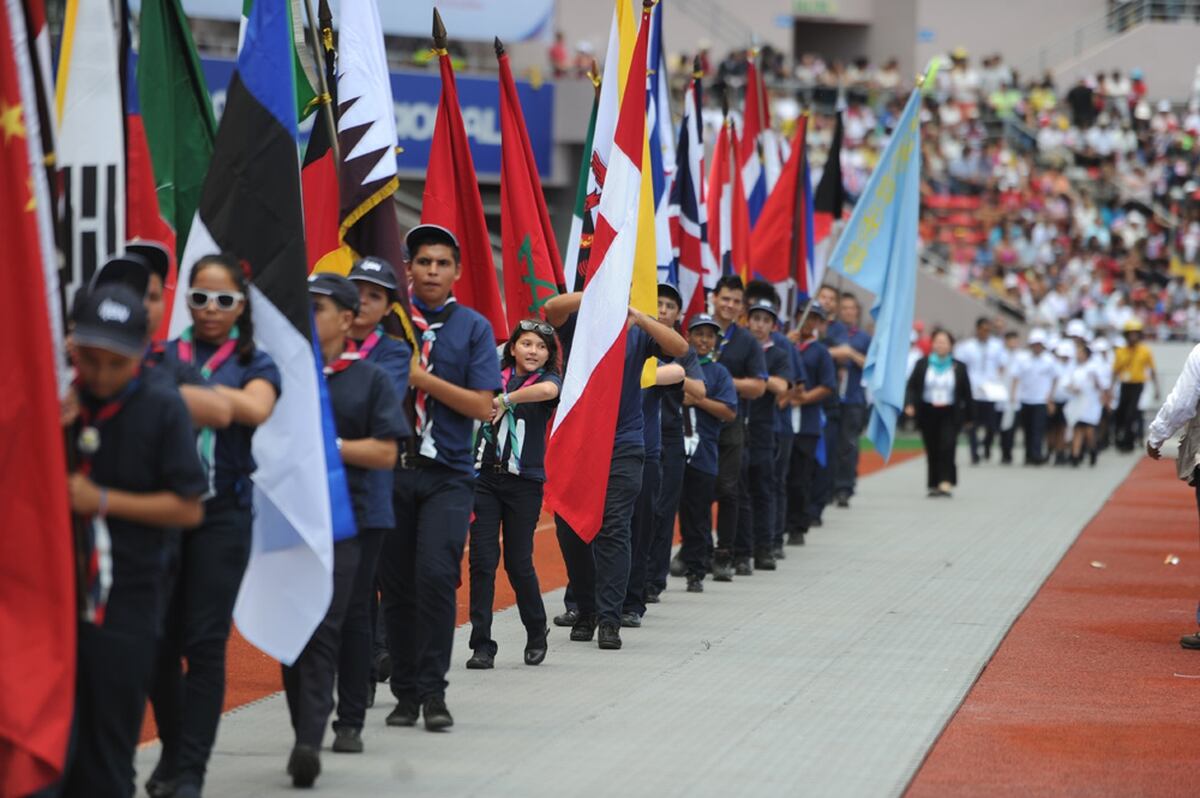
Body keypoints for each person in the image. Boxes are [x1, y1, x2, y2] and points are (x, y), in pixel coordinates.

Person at [61, 284, 207, 798]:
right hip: (55, 602)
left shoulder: (162, 408)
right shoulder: (60, 404)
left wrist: (101, 499)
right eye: (90, 359)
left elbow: (188, 507)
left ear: (142, 353)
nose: (100, 374)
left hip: (126, 600)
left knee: (106, 755)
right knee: (52, 751)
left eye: (115, 363)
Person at [149, 254, 282, 798]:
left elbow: (254, 411)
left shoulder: (256, 359)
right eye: (200, 297)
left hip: (222, 516)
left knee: (204, 644)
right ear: (185, 299)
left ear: (242, 307)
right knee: (155, 644)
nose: (210, 309)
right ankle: (175, 751)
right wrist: (211, 400)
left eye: (224, 300)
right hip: (161, 513)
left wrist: (179, 395)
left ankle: (190, 773)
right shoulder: (159, 355)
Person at [378, 225, 501, 731]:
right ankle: (405, 693)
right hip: (391, 471)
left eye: (441, 263)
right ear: (408, 266)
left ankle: (434, 691)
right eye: (423, 262)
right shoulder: (387, 321)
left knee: (434, 578)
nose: (432, 271)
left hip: (448, 473)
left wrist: (422, 378)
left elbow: (482, 405)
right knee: (397, 585)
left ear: (457, 270)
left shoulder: (472, 327)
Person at [284, 274, 405, 786]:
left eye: (317, 307)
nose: (307, 315)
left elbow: (385, 452)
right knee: (298, 626)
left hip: (357, 517)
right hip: (294, 519)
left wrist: (326, 449)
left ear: (347, 319)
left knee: (344, 620)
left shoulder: (370, 378)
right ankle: (305, 728)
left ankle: (346, 719)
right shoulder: (287, 375)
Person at [543, 290, 688, 650]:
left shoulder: (637, 333)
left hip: (624, 443)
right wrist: (593, 291)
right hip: (578, 443)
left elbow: (680, 348)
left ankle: (610, 619)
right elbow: (551, 309)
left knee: (615, 527)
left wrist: (638, 317)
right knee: (571, 527)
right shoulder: (578, 325)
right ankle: (587, 610)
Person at [333, 257, 412, 741]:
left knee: (361, 602)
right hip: (317, 492)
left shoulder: (392, 355)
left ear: (386, 308)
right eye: (355, 291)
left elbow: (374, 416)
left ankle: (355, 699)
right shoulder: (315, 349)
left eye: (374, 295)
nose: (362, 301)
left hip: (365, 493)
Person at [467, 319, 561, 669]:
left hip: (524, 483)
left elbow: (548, 394)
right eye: (525, 344)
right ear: (512, 348)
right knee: (482, 561)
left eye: (540, 346)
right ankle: (482, 645)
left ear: (548, 354)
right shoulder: (492, 376)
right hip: (485, 481)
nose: (532, 351)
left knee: (519, 563)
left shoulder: (547, 382)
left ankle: (536, 631)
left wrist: (506, 400)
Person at [709, 276, 767, 580]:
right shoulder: (698, 331)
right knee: (695, 490)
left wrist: (722, 382)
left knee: (729, 489)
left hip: (732, 423)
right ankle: (697, 549)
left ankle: (726, 552)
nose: (729, 305)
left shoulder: (746, 341)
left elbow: (758, 386)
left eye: (735, 301)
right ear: (714, 297)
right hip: (696, 425)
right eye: (725, 299)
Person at [676, 314, 737, 592]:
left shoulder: (718, 372)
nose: (703, 340)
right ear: (688, 336)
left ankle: (697, 570)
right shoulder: (676, 366)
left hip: (703, 451)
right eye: (699, 333)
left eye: (709, 335)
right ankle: (658, 574)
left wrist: (699, 399)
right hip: (673, 450)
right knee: (670, 512)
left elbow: (728, 411)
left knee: (699, 514)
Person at [651, 284, 705, 596]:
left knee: (663, 509)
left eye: (670, 305)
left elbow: (700, 391)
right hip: (636, 432)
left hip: (670, 435)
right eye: (658, 302)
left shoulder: (682, 349)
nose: (663, 309)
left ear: (678, 313)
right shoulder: (635, 337)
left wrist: (672, 374)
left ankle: (654, 581)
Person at [742, 297, 793, 570]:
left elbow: (783, 387)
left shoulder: (778, 354)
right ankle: (741, 547)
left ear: (773, 325)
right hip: (737, 426)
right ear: (747, 320)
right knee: (737, 490)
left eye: (765, 320)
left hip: (764, 428)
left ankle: (765, 546)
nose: (759, 325)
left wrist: (758, 377)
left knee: (763, 488)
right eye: (756, 319)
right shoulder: (739, 346)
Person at [786, 303, 836, 544]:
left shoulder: (820, 352)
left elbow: (827, 385)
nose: (808, 322)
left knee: (801, 477)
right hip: (784, 419)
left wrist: (804, 398)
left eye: (814, 318)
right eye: (804, 316)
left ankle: (798, 525)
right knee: (780, 475)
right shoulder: (786, 344)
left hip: (807, 423)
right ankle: (780, 523)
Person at [905, 329, 972, 497]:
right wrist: (909, 404)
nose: (940, 345)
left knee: (947, 446)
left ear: (951, 346)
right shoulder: (922, 364)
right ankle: (934, 483)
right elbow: (912, 387)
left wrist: (969, 417)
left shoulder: (959, 367)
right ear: (932, 344)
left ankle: (946, 481)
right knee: (932, 447)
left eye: (944, 342)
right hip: (928, 411)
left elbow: (966, 393)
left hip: (950, 412)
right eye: (937, 341)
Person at [826, 292, 871, 508]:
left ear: (857, 311)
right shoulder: (830, 332)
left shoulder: (863, 338)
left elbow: (871, 364)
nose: (848, 312)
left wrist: (850, 354)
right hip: (831, 397)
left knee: (848, 444)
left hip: (853, 398)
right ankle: (828, 486)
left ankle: (845, 487)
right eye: (843, 308)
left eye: (851, 308)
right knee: (830, 442)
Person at [954, 317, 1006, 464]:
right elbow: (961, 367)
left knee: (991, 425)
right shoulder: (967, 346)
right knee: (972, 423)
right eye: (983, 330)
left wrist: (997, 381)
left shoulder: (996, 345)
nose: (986, 333)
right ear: (977, 330)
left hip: (990, 390)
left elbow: (1002, 364)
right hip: (973, 390)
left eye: (988, 330)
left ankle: (987, 445)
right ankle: (974, 452)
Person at [1009, 329, 1057, 466]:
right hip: (1025, 399)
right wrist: (1013, 394)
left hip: (1041, 400)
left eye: (1039, 344)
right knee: (1027, 429)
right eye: (1035, 344)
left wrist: (1050, 397)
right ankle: (1028, 455)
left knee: (1038, 429)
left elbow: (1055, 378)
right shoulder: (1022, 359)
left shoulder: (1049, 360)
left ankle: (1036, 454)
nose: (1037, 347)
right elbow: (1015, 377)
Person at [1112, 318, 1160, 451]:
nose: (1133, 336)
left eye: (1135, 333)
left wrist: (1156, 389)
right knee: (1120, 413)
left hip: (1137, 385)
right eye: (1130, 333)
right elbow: (1115, 371)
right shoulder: (1121, 351)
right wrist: (1110, 390)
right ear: (1126, 335)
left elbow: (1152, 370)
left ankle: (1129, 442)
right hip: (1124, 385)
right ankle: (1120, 437)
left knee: (1131, 414)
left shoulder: (1145, 351)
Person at [1064, 336, 1105, 467]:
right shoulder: (1075, 368)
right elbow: (1068, 382)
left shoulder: (1094, 367)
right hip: (1077, 402)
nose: (1078, 355)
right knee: (1077, 428)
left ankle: (1092, 450)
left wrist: (1096, 381)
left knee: (1088, 430)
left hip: (1090, 403)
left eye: (1080, 353)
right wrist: (1071, 388)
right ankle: (1075, 456)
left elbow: (1101, 385)